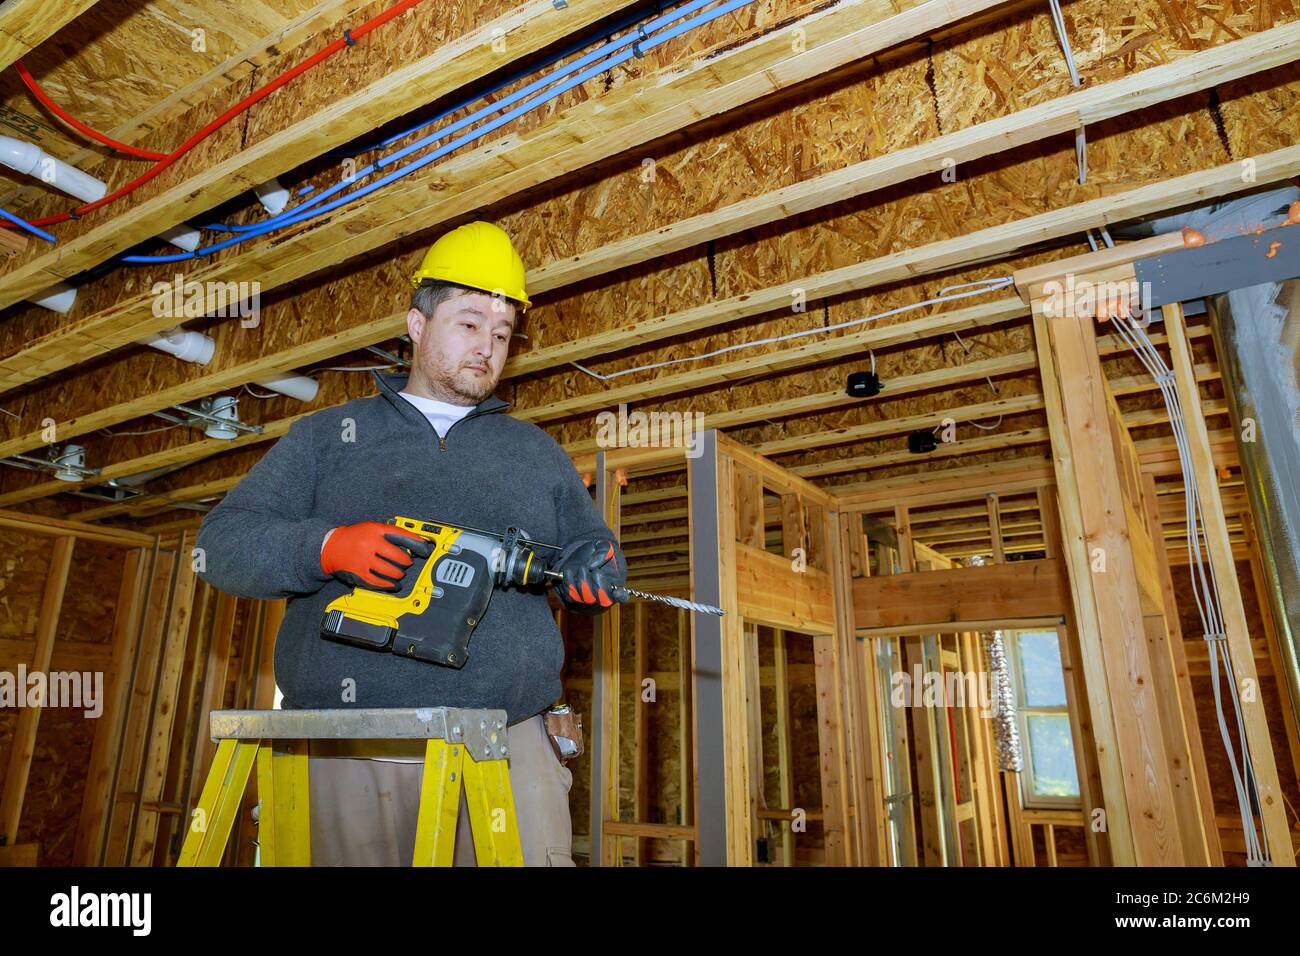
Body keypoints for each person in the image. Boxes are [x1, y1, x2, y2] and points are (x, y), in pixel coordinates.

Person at [195, 220, 625, 866]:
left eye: (503, 333)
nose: (488, 346)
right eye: (470, 322)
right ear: (417, 324)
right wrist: (327, 547)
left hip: (505, 751)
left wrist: (598, 575)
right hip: (347, 753)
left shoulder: (539, 456)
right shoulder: (327, 438)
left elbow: (598, 563)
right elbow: (221, 543)